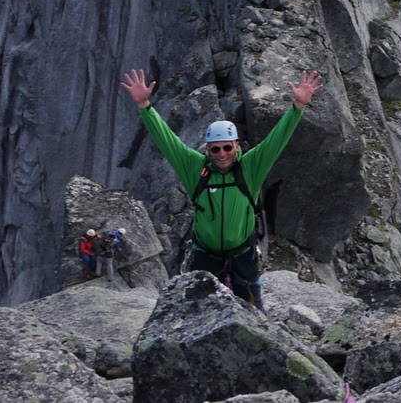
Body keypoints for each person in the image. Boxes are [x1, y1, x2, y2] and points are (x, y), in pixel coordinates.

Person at [120, 67, 324, 308]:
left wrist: (297, 108)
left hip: (243, 253)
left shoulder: (250, 167)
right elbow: (167, 141)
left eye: (227, 147)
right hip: (205, 254)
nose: (222, 154)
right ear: (207, 149)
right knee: (201, 309)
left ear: (236, 146)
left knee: (251, 309)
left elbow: (276, 141)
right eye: (215, 149)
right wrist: (145, 107)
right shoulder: (195, 169)